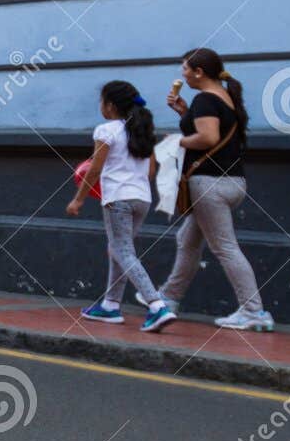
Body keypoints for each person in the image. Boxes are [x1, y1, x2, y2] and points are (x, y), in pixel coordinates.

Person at [151, 47, 274, 331]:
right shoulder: (224, 97)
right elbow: (215, 134)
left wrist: (176, 141)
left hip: (208, 183)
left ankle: (254, 311)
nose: (181, 73)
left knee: (225, 248)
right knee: (187, 240)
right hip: (232, 182)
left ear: (198, 72)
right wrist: (184, 111)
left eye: (184, 68)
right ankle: (169, 298)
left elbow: (208, 137)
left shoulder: (205, 99)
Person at [68, 81, 176, 332]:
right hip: (142, 199)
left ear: (110, 105)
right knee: (118, 249)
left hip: (118, 198)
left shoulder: (106, 130)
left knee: (123, 251)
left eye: (102, 101)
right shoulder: (143, 130)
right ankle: (110, 305)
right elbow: (150, 171)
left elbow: (94, 168)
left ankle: (157, 306)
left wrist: (79, 198)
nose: (100, 106)